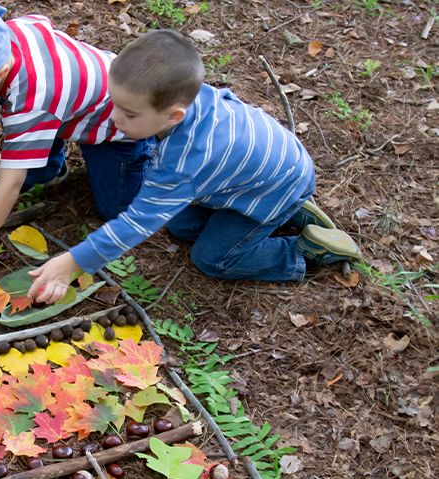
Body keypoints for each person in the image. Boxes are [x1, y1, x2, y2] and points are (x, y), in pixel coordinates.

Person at [27, 30, 362, 303]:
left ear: (174, 116)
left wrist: (71, 262)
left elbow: (135, 224)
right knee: (180, 225)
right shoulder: (192, 95)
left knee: (212, 258)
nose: (115, 118)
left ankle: (302, 247)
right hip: (271, 168)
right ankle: (291, 210)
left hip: (276, 186)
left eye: (129, 114)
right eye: (115, 104)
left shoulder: (182, 163)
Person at [0, 3, 153, 291]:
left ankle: (150, 156)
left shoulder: (33, 101)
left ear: (1, 71)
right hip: (68, 106)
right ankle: (49, 164)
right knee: (33, 137)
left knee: (116, 208)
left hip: (118, 128)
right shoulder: (5, 37)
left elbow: (10, 185)